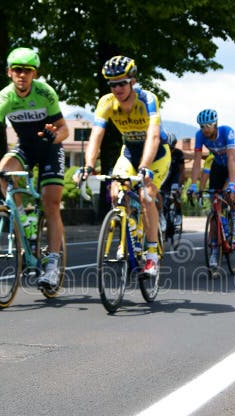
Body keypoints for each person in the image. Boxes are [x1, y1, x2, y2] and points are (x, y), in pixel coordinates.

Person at [0, 47, 69, 288]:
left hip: (51, 147)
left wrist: (55, 137)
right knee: (3, 172)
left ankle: (52, 263)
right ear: (9, 72)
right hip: (26, 148)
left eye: (27, 71)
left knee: (51, 202)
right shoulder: (4, 97)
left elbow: (65, 129)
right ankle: (25, 220)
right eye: (18, 70)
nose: (22, 75)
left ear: (34, 74)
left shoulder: (45, 93)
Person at [76, 55, 170, 276]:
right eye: (112, 84)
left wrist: (145, 166)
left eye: (121, 83)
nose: (117, 88)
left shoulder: (148, 99)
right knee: (116, 190)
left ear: (133, 81)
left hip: (155, 153)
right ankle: (130, 231)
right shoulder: (106, 102)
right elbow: (96, 136)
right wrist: (88, 165)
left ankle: (152, 255)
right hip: (129, 151)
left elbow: (154, 136)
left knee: (147, 193)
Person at [188, 109, 235, 267]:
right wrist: (194, 184)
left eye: (208, 125)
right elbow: (197, 161)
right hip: (218, 167)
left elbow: (232, 158)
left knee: (228, 193)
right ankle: (214, 249)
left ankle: (234, 214)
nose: (205, 129)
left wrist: (232, 184)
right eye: (202, 126)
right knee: (215, 206)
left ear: (215, 124)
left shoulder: (227, 132)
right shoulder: (199, 135)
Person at [159, 132, 185, 232]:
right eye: (168, 147)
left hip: (175, 178)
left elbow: (182, 170)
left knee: (175, 194)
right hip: (164, 178)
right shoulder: (161, 152)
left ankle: (178, 212)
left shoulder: (179, 154)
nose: (170, 150)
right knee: (160, 196)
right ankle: (162, 216)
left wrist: (180, 184)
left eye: (172, 148)